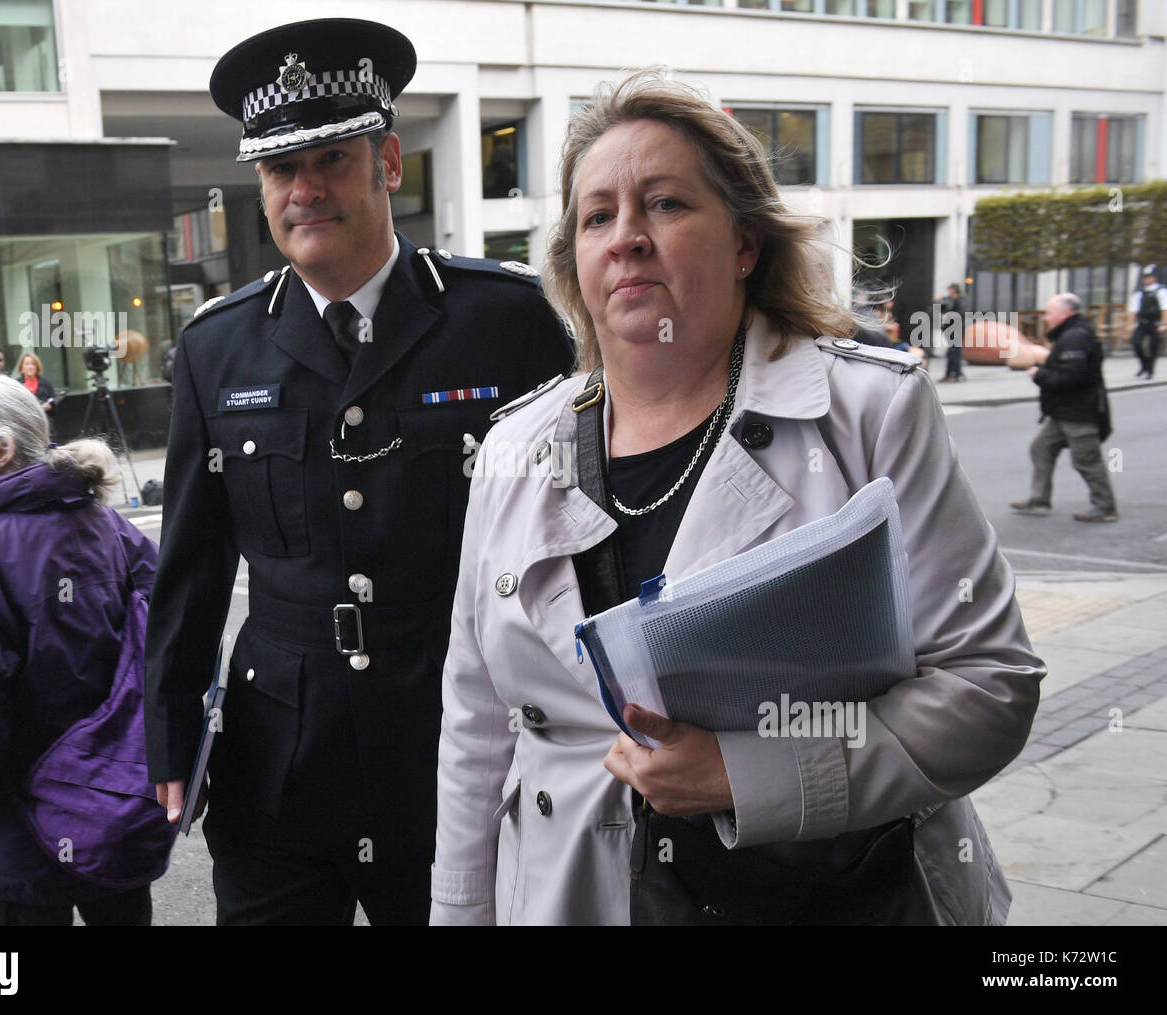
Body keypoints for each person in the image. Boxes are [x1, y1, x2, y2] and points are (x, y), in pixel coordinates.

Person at [431, 71, 1044, 926]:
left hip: (833, 893)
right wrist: (459, 913)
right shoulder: (511, 447)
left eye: (667, 205)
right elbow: (477, 724)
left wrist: (745, 772)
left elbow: (990, 684)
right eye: (597, 215)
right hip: (573, 891)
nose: (627, 238)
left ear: (746, 242)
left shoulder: (869, 409)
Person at [143, 18, 573, 926]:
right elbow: (192, 566)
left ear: (388, 162)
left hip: (455, 749)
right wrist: (171, 731)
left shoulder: (507, 322)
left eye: (331, 159)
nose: (304, 191)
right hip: (280, 765)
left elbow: (574, 540)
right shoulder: (217, 348)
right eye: (279, 170)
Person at [0, 372, 159, 925]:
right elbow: (172, 646)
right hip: (116, 808)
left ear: (1, 449)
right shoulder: (111, 527)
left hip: (20, 826)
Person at [1010, 293, 1117, 522]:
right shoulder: (1072, 334)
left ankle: (1105, 507)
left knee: (1086, 460)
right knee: (1041, 448)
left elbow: (1070, 377)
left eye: (1049, 313)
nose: (1047, 318)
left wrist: (1040, 374)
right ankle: (1039, 501)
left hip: (1078, 412)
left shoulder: (1075, 337)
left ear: (1064, 313)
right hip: (1064, 411)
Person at [1127, 266, 1161, 378]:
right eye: (1146, 278)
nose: (1147, 280)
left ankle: (1150, 370)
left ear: (1154, 278)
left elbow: (1165, 308)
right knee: (1136, 343)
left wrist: (1164, 324)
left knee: (1153, 347)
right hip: (1142, 322)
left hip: (1155, 323)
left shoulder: (1161, 291)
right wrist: (1130, 324)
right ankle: (1144, 365)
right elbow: (1133, 310)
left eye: (1150, 277)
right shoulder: (1140, 293)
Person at [938, 283, 965, 382]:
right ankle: (949, 374)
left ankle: (956, 375)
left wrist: (947, 316)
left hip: (956, 329)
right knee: (951, 352)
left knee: (955, 352)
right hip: (949, 329)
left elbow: (959, 314)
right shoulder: (949, 300)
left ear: (954, 290)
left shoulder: (959, 300)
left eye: (950, 289)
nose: (949, 291)